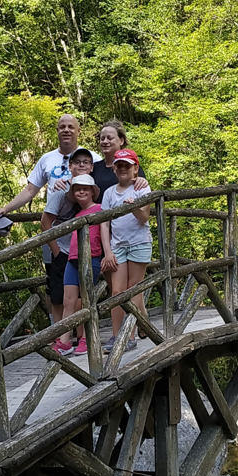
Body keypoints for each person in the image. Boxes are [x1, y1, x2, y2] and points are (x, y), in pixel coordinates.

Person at [0, 114, 99, 322]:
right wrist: (6, 209)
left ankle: (81, 329)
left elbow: (109, 179)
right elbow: (31, 189)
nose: (66, 130)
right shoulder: (47, 159)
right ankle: (57, 329)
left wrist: (137, 179)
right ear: (57, 131)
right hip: (54, 232)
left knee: (83, 284)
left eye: (71, 126)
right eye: (62, 127)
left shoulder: (92, 158)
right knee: (55, 283)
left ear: (78, 130)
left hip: (83, 234)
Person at [41, 148, 95, 352]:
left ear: (91, 167)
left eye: (86, 162)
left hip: (78, 250)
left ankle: (80, 336)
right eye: (77, 162)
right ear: (70, 167)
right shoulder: (60, 192)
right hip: (59, 249)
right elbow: (45, 223)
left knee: (79, 294)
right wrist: (56, 252)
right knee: (58, 294)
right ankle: (59, 335)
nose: (82, 165)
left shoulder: (88, 192)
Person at [55, 175, 116, 355]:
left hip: (91, 258)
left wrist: (108, 253)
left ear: (92, 192)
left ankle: (87, 339)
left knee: (85, 301)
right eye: (77, 189)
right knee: (69, 301)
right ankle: (65, 341)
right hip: (72, 259)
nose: (81, 191)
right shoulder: (76, 214)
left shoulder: (99, 209)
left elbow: (107, 232)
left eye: (85, 189)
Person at [101, 149, 152, 353]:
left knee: (133, 289)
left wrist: (135, 207)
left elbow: (144, 218)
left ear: (135, 169)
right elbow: (103, 224)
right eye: (119, 165)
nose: (123, 169)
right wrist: (107, 252)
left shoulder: (142, 189)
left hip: (139, 243)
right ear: (114, 169)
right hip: (118, 246)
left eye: (127, 166)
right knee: (116, 291)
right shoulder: (109, 193)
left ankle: (129, 336)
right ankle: (116, 335)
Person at [94, 119, 148, 197]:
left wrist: (142, 181)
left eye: (110, 138)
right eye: (102, 139)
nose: (105, 141)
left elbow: (143, 194)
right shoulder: (94, 167)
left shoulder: (131, 167)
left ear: (121, 141)